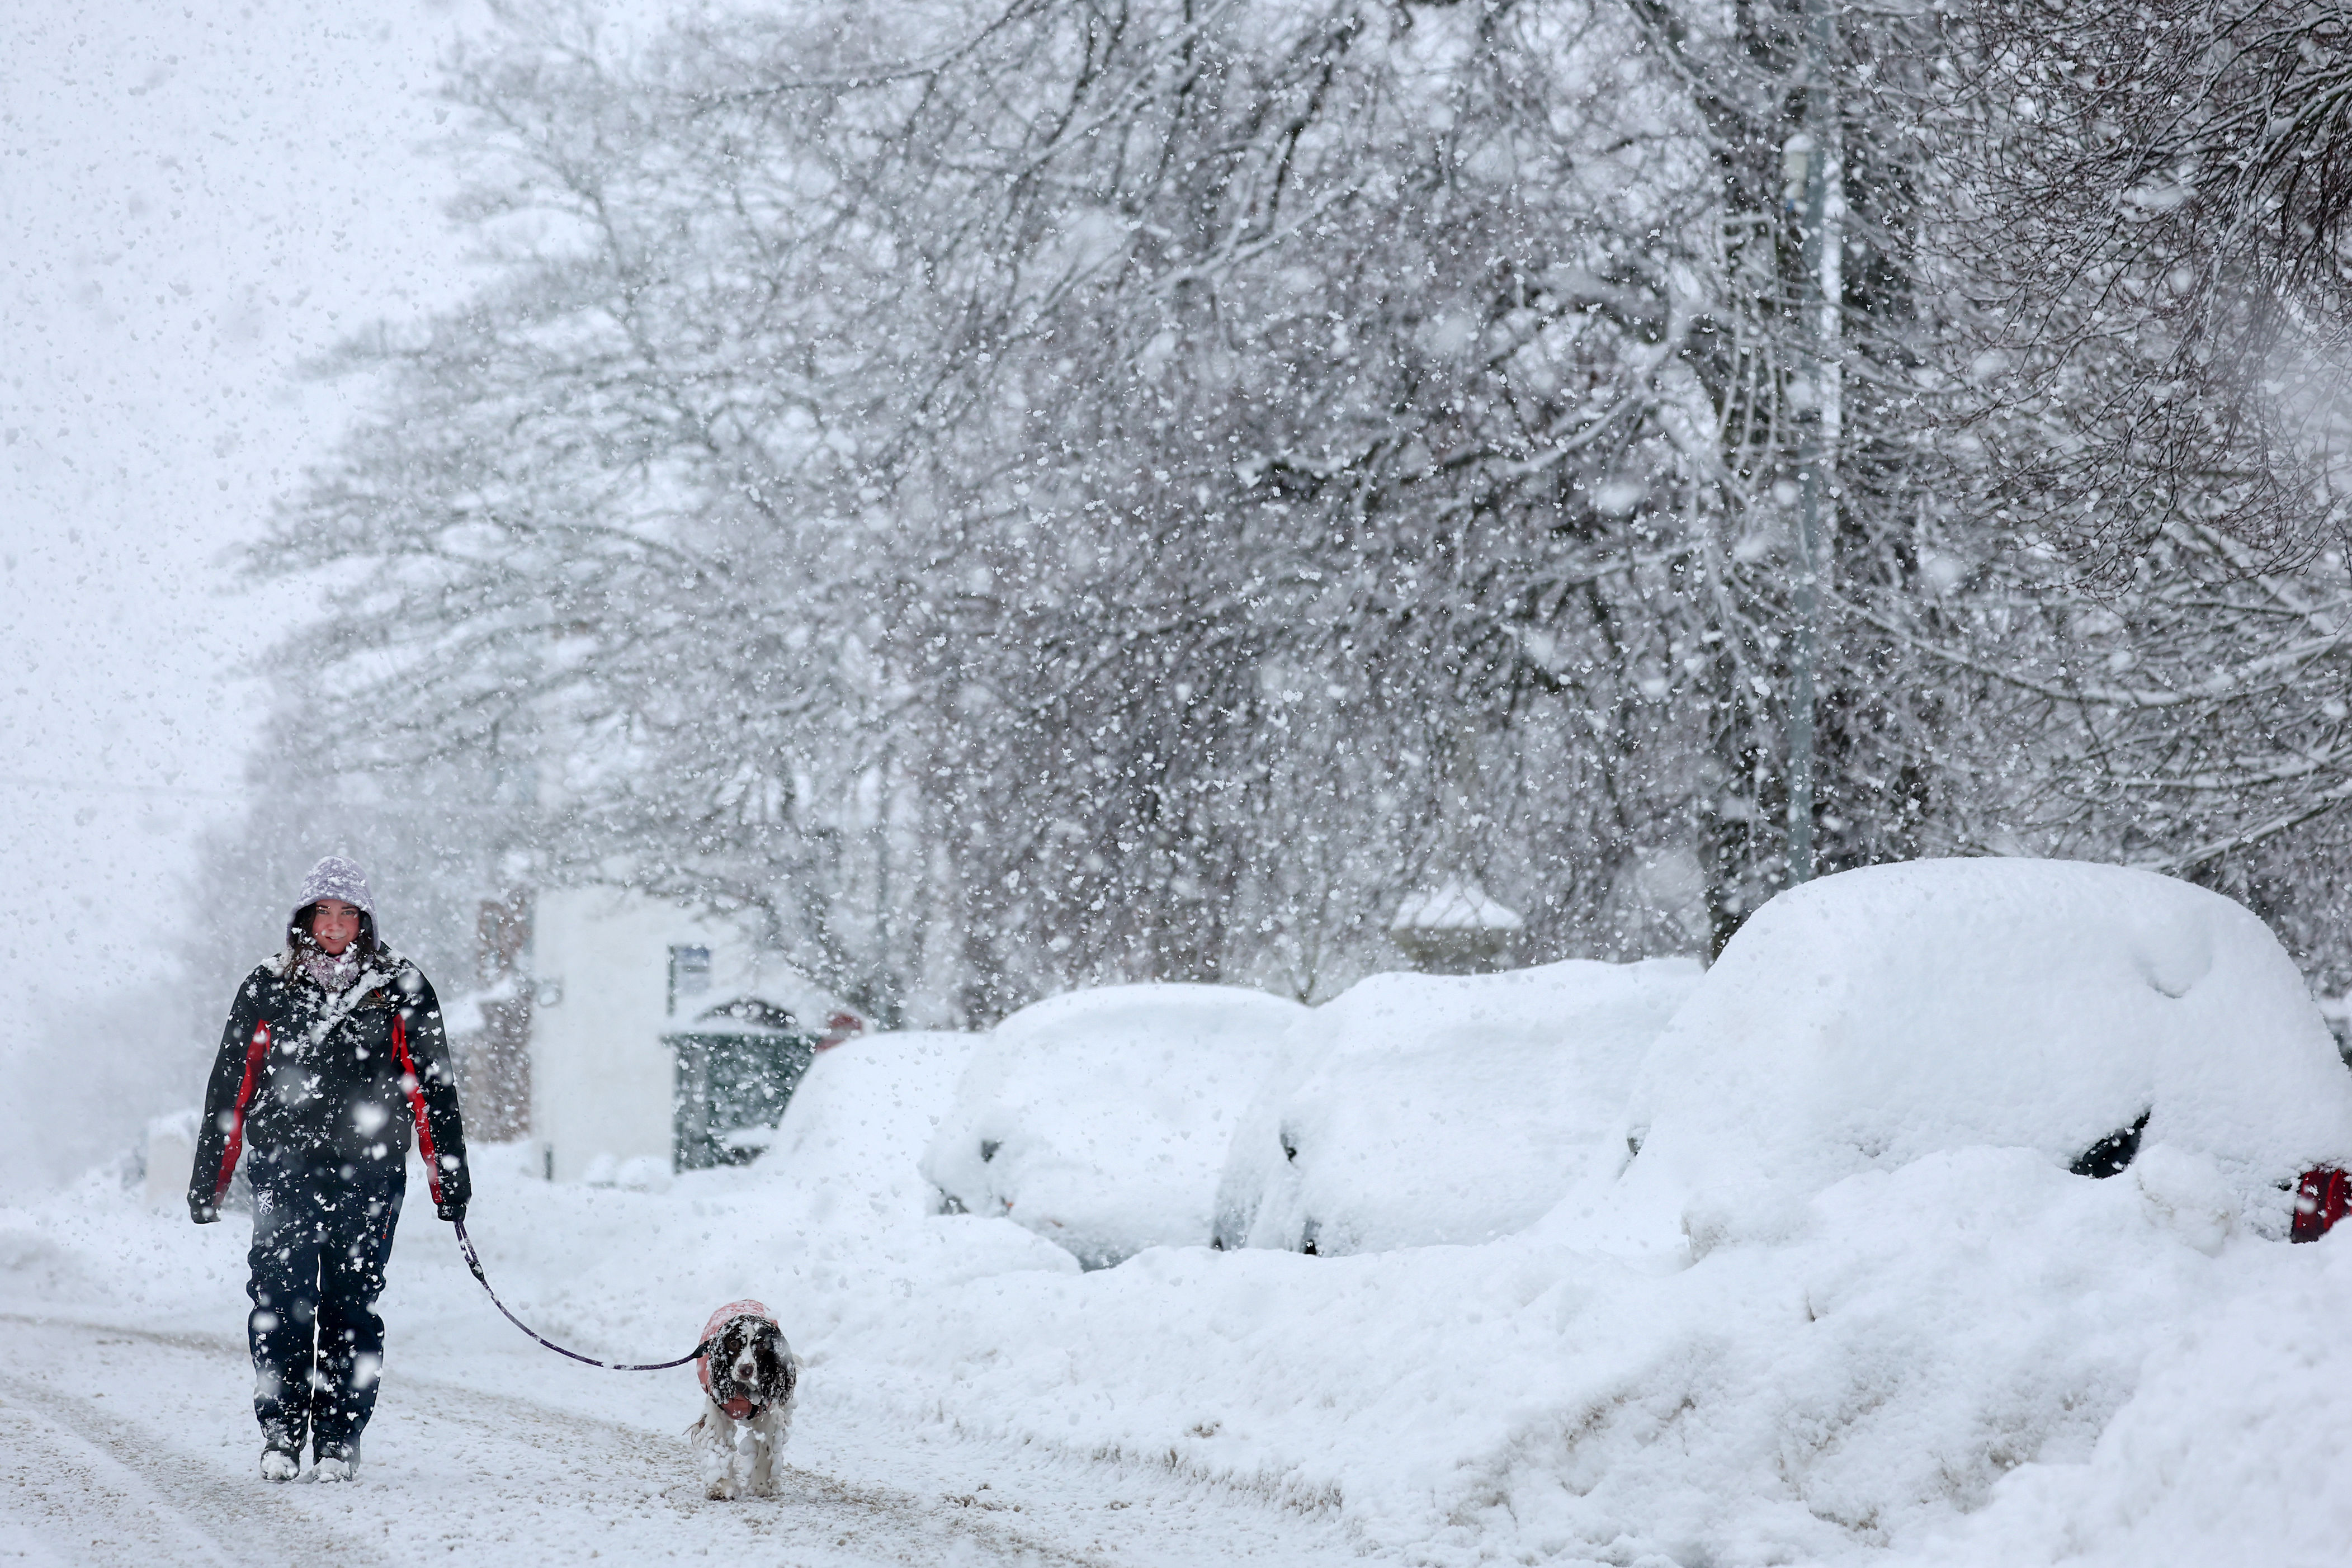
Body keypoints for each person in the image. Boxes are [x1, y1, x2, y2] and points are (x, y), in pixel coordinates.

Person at [188, 856, 469, 1484]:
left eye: (348, 913)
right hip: (285, 1173)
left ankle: (339, 1437)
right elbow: (232, 1084)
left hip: (369, 1176)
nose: (335, 924)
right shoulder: (268, 985)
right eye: (324, 912)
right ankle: (283, 1431)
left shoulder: (400, 985)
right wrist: (211, 1175)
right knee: (281, 1301)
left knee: (352, 1306)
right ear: (304, 919)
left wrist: (447, 1175)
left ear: (365, 920)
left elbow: (432, 1090)